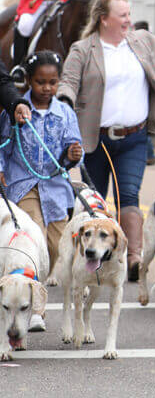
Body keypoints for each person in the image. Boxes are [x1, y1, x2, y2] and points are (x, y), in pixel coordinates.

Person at [58, 0, 155, 281]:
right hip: (95, 139)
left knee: (128, 194)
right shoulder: (83, 49)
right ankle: (92, 257)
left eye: (129, 14)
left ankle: (133, 259)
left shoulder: (142, 41)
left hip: (134, 138)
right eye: (123, 15)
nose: (129, 19)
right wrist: (64, 104)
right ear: (104, 19)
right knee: (95, 201)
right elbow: (68, 82)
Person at [1, 51, 82, 330]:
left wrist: (73, 155)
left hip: (55, 188)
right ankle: (35, 310)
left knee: (57, 246)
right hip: (23, 183)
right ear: (28, 81)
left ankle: (34, 291)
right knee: (33, 237)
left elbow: (73, 149)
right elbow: (3, 144)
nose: (47, 88)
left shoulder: (65, 113)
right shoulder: (15, 110)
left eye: (52, 82)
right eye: (40, 82)